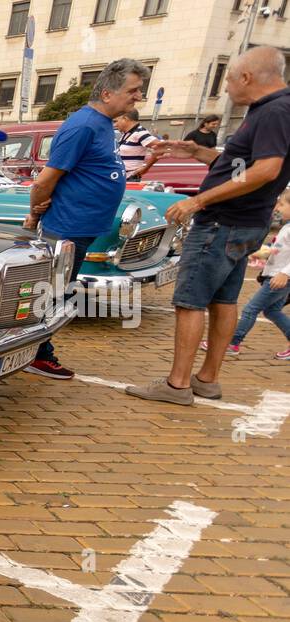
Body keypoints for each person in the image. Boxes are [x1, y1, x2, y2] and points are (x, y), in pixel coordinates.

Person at [128, 46, 290, 405]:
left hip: (223, 223)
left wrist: (198, 200)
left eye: (228, 80)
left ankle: (177, 384)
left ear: (246, 77)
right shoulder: (273, 109)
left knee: (190, 302)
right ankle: (207, 379)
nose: (228, 88)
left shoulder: (274, 111)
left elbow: (266, 169)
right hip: (244, 223)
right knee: (224, 300)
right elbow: (243, 162)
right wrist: (196, 152)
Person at [23, 59, 150, 380]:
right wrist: (34, 212)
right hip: (66, 227)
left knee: (61, 292)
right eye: (133, 91)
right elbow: (44, 180)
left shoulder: (104, 124)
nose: (138, 97)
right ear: (107, 93)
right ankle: (37, 353)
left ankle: (37, 350)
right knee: (54, 293)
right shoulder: (83, 125)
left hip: (82, 227)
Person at [218, 191, 290, 359]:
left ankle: (233, 342)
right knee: (272, 311)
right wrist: (262, 252)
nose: (277, 207)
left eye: (282, 204)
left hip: (279, 278)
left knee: (251, 309)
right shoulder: (286, 227)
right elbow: (281, 250)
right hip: (276, 275)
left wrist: (284, 274)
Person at [114, 109, 160, 180]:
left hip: (130, 178)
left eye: (116, 121)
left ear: (125, 119)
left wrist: (145, 168)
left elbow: (161, 148)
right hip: (122, 178)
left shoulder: (140, 133)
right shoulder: (127, 134)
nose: (115, 125)